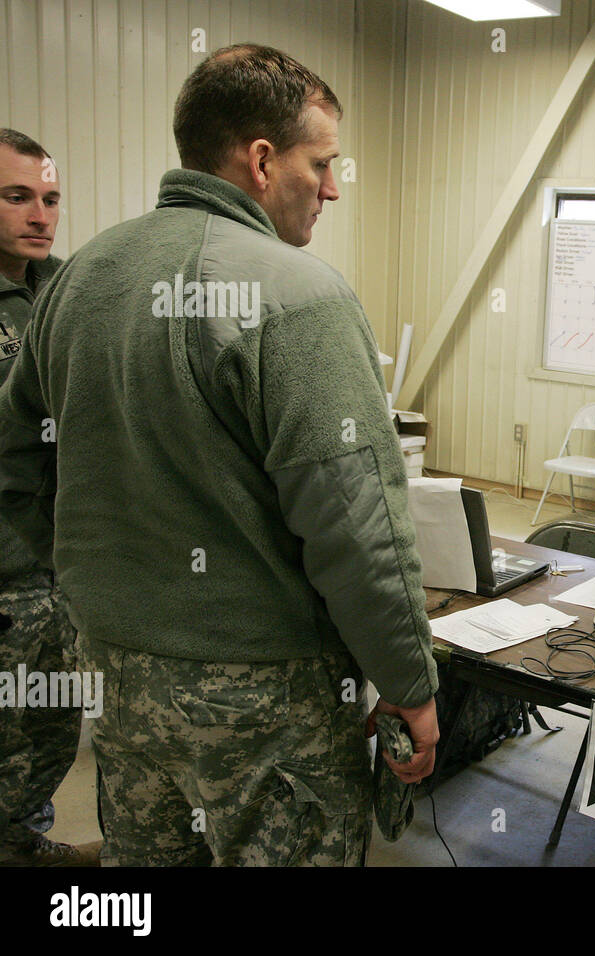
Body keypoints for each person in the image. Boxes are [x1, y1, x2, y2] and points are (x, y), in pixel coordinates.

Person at [0, 45, 440, 866]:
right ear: (264, 161)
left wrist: (81, 597)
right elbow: (357, 529)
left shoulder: (80, 279)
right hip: (264, 697)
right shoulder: (300, 294)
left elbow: (17, 458)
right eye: (324, 162)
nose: (335, 188)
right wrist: (410, 683)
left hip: (118, 682)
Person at [0, 129, 97, 867]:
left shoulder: (63, 289)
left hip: (60, 558)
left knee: (52, 721)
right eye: (18, 197)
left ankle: (21, 839)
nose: (41, 215)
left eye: (52, 199)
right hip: (8, 562)